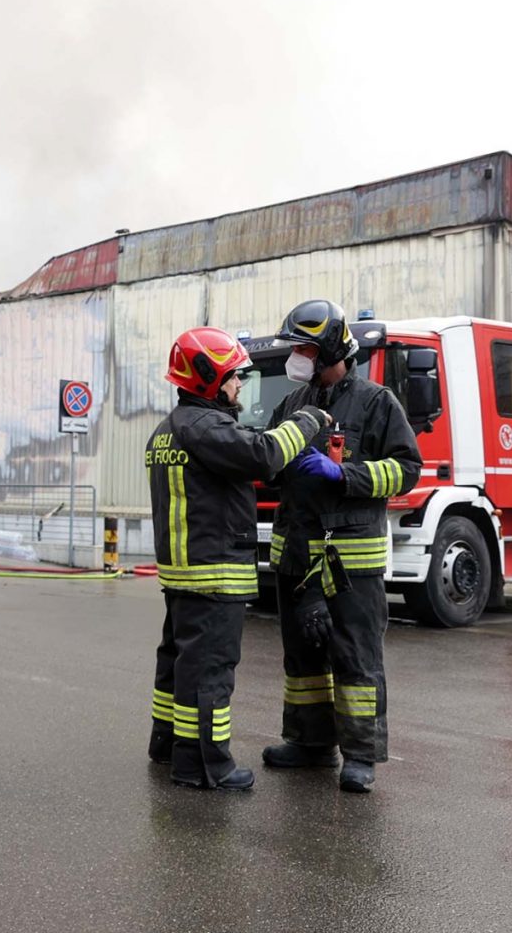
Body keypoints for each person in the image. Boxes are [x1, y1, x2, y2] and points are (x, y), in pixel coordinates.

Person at [147, 327, 331, 790]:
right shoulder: (205, 427)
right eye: (233, 377)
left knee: (178, 665)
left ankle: (168, 746)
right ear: (209, 378)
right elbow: (264, 455)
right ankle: (206, 765)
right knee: (210, 672)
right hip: (215, 575)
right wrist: (307, 421)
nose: (239, 386)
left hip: (184, 575)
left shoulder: (167, 430)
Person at [262, 299, 421, 793]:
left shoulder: (377, 402)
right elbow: (269, 456)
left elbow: (406, 470)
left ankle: (360, 755)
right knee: (302, 658)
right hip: (296, 554)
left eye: (305, 348)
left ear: (330, 347)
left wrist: (343, 473)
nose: (298, 358)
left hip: (350, 561)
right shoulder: (292, 404)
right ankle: (310, 744)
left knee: (355, 657)